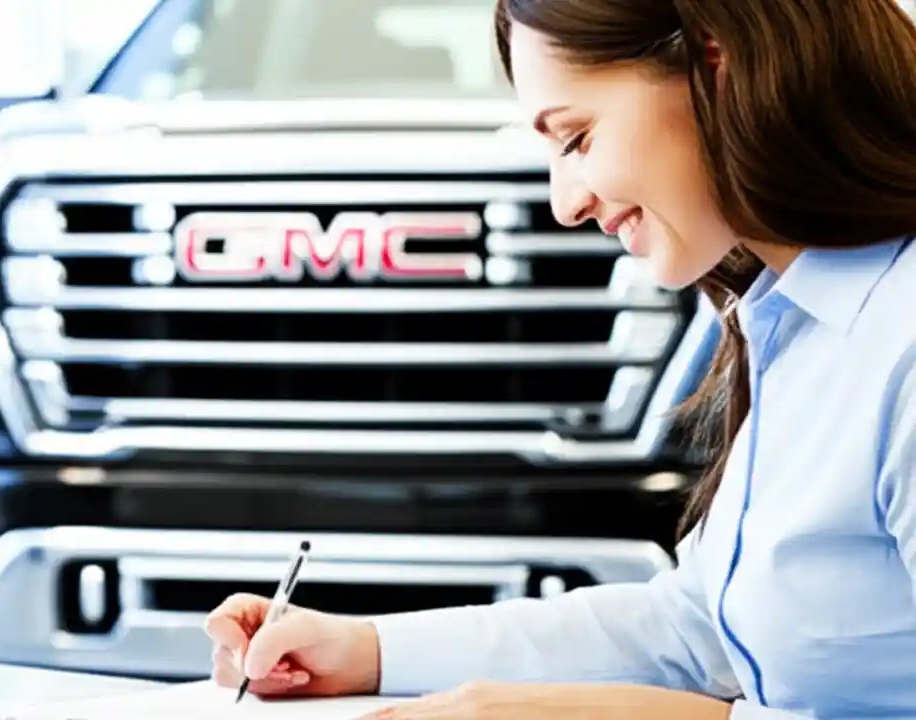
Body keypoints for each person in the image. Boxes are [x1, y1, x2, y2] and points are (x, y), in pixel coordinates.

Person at [203, 1, 916, 718]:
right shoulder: (800, 326)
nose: (565, 203)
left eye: (576, 138)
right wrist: (368, 651)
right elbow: (697, 628)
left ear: (717, 62)